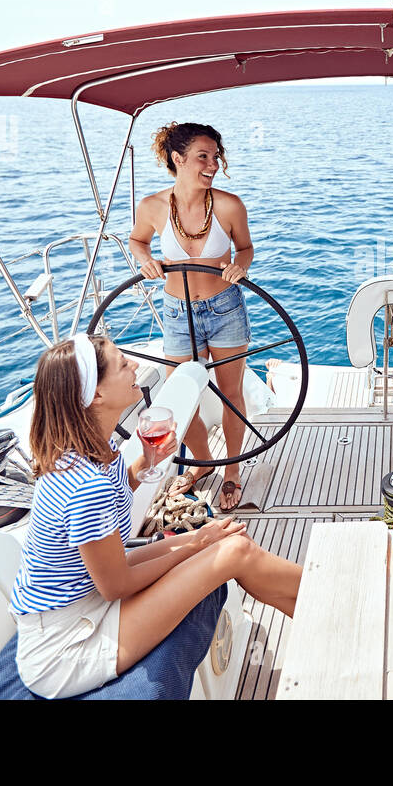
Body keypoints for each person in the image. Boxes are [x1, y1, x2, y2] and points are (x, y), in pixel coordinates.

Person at [8, 333, 302, 699]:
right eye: (122, 364)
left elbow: (115, 504)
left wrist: (145, 465)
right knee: (232, 551)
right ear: (95, 395)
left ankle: (324, 614)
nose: (135, 365)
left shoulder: (91, 451)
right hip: (67, 648)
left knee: (230, 542)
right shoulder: (85, 485)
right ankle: (327, 598)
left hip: (89, 606)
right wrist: (194, 543)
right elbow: (116, 584)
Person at [129, 122, 253, 511]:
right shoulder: (152, 207)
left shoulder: (229, 205)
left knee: (231, 396)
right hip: (177, 312)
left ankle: (231, 470)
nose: (213, 164)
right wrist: (146, 259)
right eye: (203, 156)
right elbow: (137, 239)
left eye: (216, 157)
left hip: (224, 309)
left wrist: (240, 266)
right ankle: (202, 461)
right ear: (177, 159)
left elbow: (245, 248)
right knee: (181, 398)